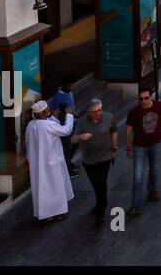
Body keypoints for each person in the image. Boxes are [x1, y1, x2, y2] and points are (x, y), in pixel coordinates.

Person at [25, 99, 74, 222]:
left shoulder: (31, 125)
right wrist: (69, 115)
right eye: (48, 109)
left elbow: (49, 127)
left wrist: (55, 118)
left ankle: (46, 215)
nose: (49, 111)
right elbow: (66, 130)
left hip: (37, 163)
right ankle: (58, 212)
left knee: (42, 189)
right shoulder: (48, 125)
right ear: (44, 112)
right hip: (52, 162)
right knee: (55, 188)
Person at [71, 97, 118, 226]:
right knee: (96, 184)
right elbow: (73, 140)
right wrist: (81, 136)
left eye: (100, 110)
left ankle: (100, 211)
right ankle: (101, 203)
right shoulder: (82, 123)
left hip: (105, 157)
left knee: (101, 183)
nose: (98, 113)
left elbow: (114, 131)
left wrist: (114, 147)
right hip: (88, 160)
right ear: (89, 112)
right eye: (95, 111)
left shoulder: (109, 117)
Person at [124, 88, 161, 215]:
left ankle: (152, 191)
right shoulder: (134, 112)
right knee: (138, 176)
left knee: (154, 169)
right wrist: (129, 147)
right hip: (139, 146)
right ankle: (135, 204)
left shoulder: (158, 105)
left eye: (146, 98)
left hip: (155, 144)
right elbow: (128, 130)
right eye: (141, 99)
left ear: (150, 96)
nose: (143, 101)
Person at [50, 76, 79, 178]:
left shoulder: (69, 93)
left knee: (74, 145)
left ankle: (69, 162)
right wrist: (68, 116)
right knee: (66, 149)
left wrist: (74, 115)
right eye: (70, 85)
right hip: (63, 127)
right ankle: (66, 170)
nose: (72, 86)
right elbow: (57, 114)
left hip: (72, 124)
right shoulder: (58, 98)